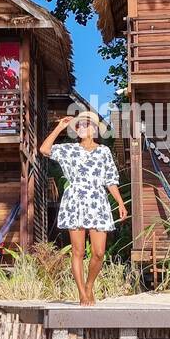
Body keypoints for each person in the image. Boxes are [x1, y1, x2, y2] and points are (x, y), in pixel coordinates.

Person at [40, 112, 128, 304]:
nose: (80, 128)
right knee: (78, 251)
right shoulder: (69, 150)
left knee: (98, 253)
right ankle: (81, 292)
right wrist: (59, 127)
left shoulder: (104, 152)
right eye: (78, 125)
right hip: (75, 202)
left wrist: (120, 203)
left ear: (94, 129)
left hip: (98, 202)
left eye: (85, 125)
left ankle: (89, 285)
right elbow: (44, 149)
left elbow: (110, 181)